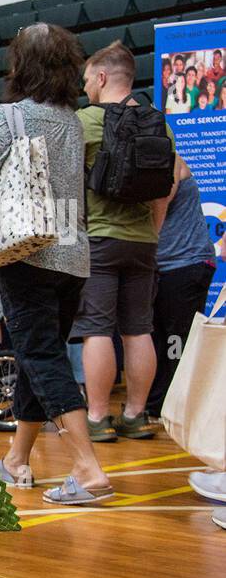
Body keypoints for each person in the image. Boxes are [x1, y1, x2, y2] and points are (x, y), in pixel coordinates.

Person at [0, 23, 113, 505]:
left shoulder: (10, 115)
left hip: (26, 253)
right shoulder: (72, 120)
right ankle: (17, 459)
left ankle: (88, 468)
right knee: (45, 354)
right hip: (74, 256)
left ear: (20, 65)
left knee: (39, 356)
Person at [75, 40, 177, 442]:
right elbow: (165, 189)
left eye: (87, 80)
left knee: (97, 328)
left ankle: (98, 417)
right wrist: (153, 231)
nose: (86, 88)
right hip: (142, 242)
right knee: (138, 329)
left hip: (99, 239)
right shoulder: (158, 123)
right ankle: (135, 414)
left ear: (101, 77)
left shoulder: (84, 122)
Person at [149, 157, 218, 417]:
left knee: (176, 340)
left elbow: (161, 201)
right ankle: (160, 404)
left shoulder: (171, 159)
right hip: (166, 265)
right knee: (160, 338)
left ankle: (172, 406)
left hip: (185, 263)